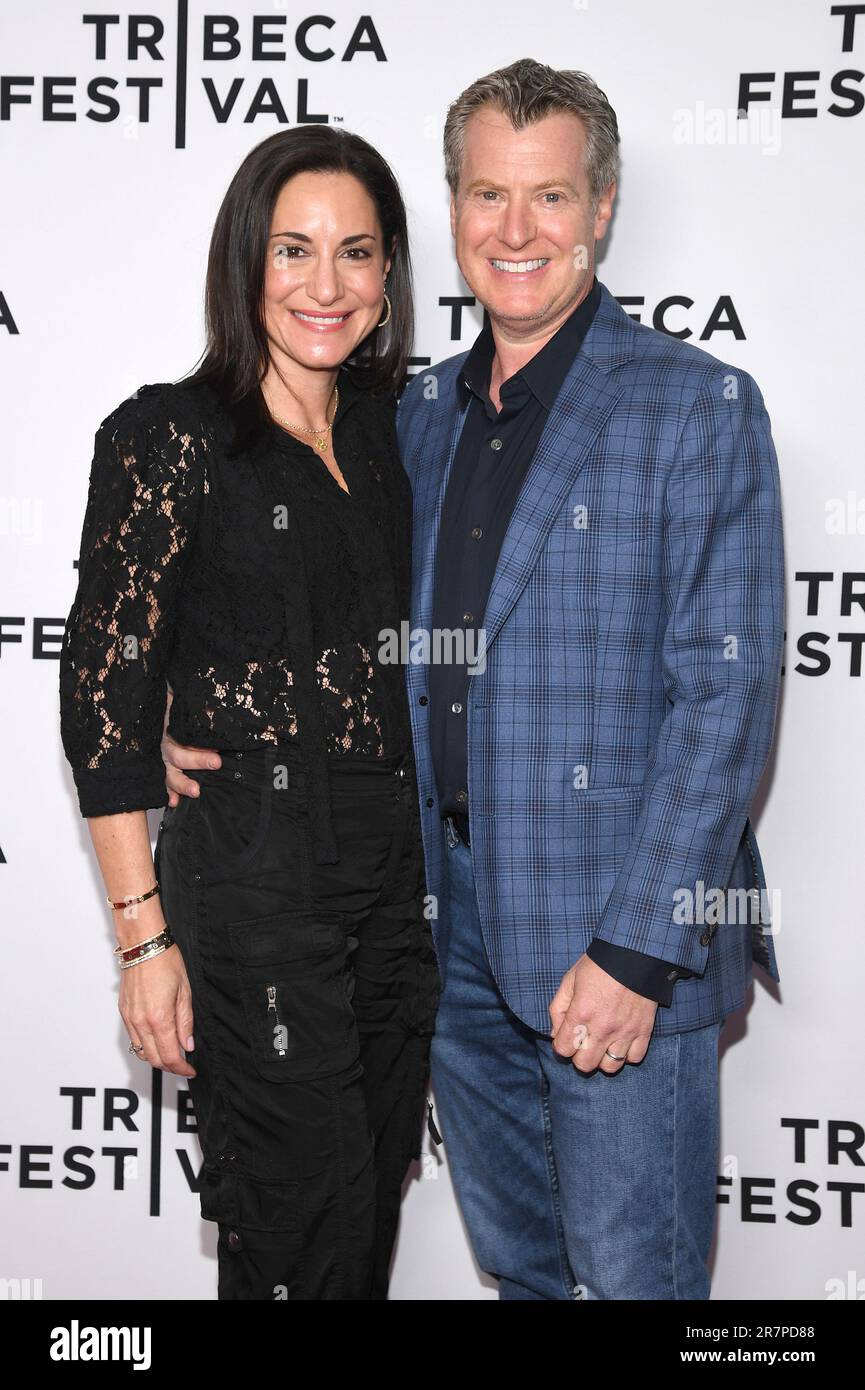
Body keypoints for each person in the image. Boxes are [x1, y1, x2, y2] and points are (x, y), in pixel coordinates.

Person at [393, 58, 784, 1300]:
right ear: (453, 208)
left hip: (611, 943)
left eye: (549, 198)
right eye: (488, 197)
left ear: (602, 206)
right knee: (521, 1274)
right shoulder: (416, 416)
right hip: (448, 933)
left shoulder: (695, 406)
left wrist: (634, 952)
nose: (516, 232)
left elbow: (724, 699)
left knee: (632, 1287)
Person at [59, 124, 440, 1301]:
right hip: (256, 891)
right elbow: (103, 704)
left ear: (389, 276)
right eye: (293, 250)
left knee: (359, 1234)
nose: (325, 286)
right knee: (296, 1243)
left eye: (357, 253)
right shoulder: (170, 437)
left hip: (394, 895)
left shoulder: (398, 430)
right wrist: (144, 941)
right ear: (245, 262)